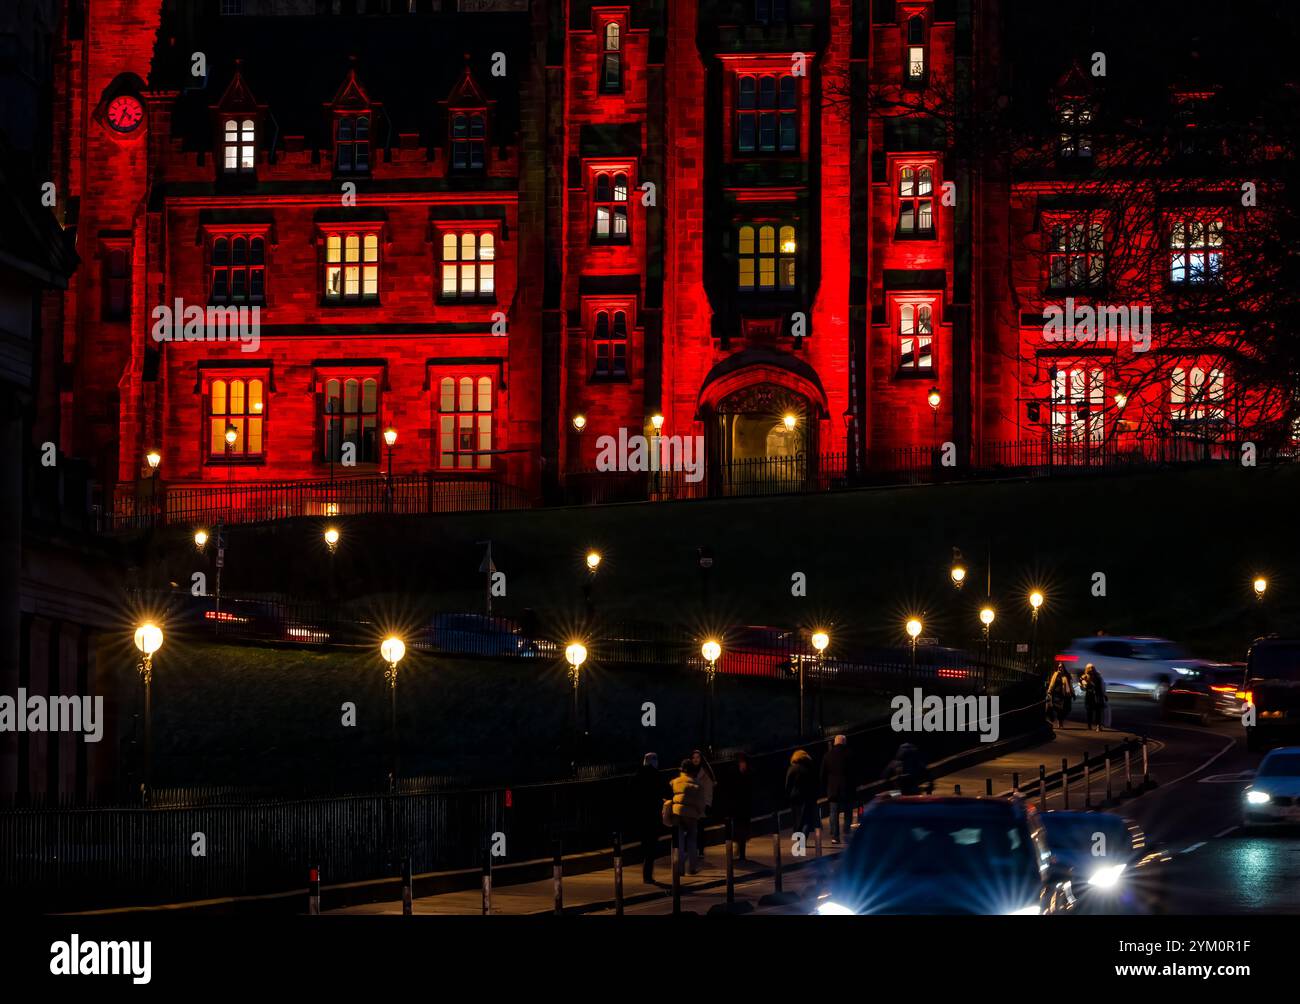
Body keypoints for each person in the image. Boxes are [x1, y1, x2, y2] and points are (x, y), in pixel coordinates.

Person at [631, 752, 668, 884]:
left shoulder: (637, 775)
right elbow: (665, 792)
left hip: (640, 815)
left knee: (645, 844)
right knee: (651, 847)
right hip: (652, 815)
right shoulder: (656, 776)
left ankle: (646, 874)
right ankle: (647, 875)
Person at [670, 758, 707, 875]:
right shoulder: (697, 784)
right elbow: (701, 803)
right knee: (691, 840)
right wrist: (699, 812)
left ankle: (678, 868)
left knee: (678, 842)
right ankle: (691, 867)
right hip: (691, 815)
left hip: (676, 813)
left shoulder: (675, 782)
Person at [820, 735, 855, 844]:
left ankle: (835, 836)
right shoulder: (850, 754)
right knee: (848, 811)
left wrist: (826, 786)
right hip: (847, 788)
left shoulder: (827, 756)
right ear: (844, 742)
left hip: (833, 789)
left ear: (835, 743)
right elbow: (855, 772)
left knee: (833, 813)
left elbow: (822, 774)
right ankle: (846, 831)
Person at [727, 752, 754, 862]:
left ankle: (742, 854)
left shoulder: (749, 774)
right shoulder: (734, 773)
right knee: (737, 831)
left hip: (745, 807)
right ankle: (737, 853)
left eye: (744, 763)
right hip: (737, 808)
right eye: (742, 763)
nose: (743, 765)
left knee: (743, 832)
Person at [786, 749, 818, 836]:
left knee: (796, 819)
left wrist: (788, 795)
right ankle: (802, 840)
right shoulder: (810, 768)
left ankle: (798, 837)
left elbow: (788, 784)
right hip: (807, 797)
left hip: (795, 797)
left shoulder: (792, 769)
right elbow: (815, 783)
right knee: (806, 819)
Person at [690, 749, 716, 859]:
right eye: (694, 758)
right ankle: (693, 849)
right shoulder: (689, 771)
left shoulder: (705, 772)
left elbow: (708, 790)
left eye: (698, 757)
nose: (695, 760)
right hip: (691, 805)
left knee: (700, 829)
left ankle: (700, 850)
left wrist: (706, 804)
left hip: (701, 805)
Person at [1081, 662, 1108, 731]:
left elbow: (1101, 686)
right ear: (1087, 669)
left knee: (1098, 711)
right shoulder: (1084, 677)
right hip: (1089, 696)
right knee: (1089, 711)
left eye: (1092, 668)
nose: (1091, 669)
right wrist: (1083, 684)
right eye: (1089, 668)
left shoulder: (1098, 676)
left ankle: (1098, 725)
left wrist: (1104, 695)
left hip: (1097, 695)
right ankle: (1089, 725)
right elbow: (1083, 688)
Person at [1047, 664, 1075, 728]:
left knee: (1067, 709)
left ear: (1064, 668)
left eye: (1061, 667)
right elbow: (1052, 684)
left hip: (1066, 694)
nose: (1060, 668)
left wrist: (1073, 693)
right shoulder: (1055, 675)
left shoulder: (1067, 675)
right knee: (1059, 709)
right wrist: (1049, 691)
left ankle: (1061, 720)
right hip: (1057, 694)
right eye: (1059, 667)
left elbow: (1070, 685)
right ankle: (1060, 722)